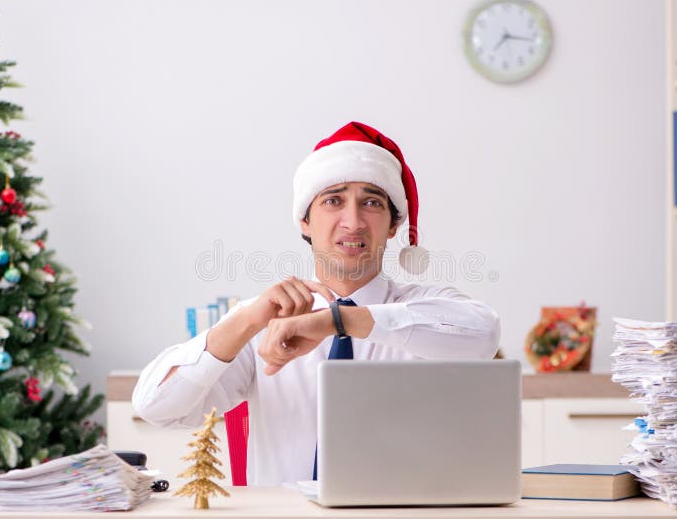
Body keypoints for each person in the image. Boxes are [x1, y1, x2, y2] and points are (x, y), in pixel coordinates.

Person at [132, 121, 500, 485]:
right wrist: (245, 322)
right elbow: (155, 407)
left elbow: (484, 335)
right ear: (305, 222)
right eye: (333, 200)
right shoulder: (262, 320)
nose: (353, 221)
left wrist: (335, 321)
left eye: (371, 202)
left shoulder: (421, 307)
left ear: (392, 225)